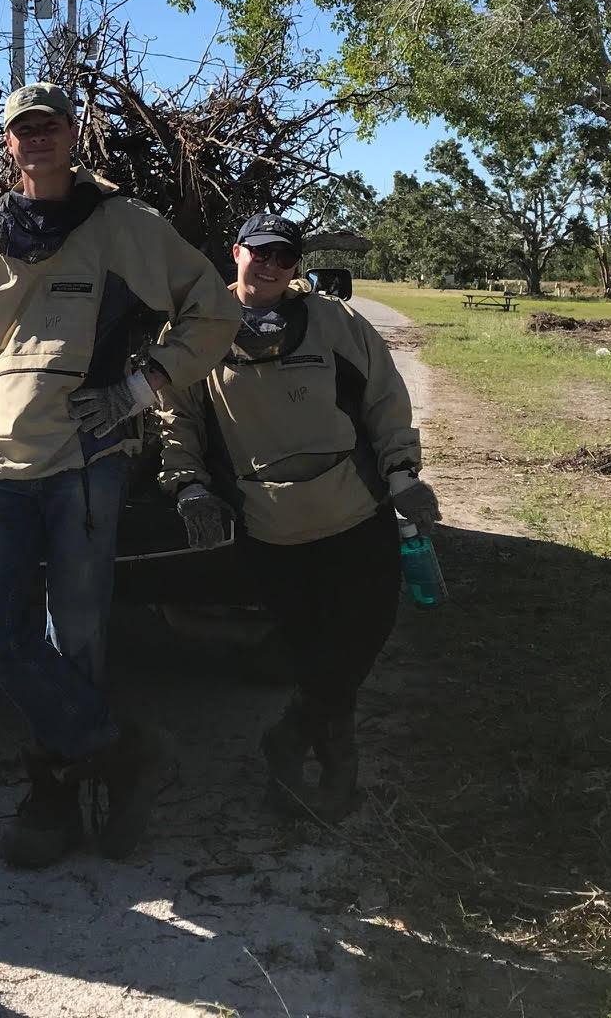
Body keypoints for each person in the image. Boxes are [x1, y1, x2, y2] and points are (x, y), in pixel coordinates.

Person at [0, 82, 242, 868]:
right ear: (7, 144)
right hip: (0, 462)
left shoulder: (121, 226)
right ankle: (126, 755)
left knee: (75, 636)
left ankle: (56, 799)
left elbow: (213, 310)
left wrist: (137, 389)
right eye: (24, 129)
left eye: (50, 125)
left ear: (73, 135)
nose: (37, 138)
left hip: (85, 463)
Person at [153, 213, 439, 821]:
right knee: (312, 649)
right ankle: (336, 764)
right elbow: (174, 416)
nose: (273, 265)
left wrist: (403, 472)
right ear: (236, 253)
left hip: (355, 514)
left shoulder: (335, 321)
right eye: (261, 253)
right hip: (271, 526)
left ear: (297, 264)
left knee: (363, 634)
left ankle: (291, 737)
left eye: (285, 256)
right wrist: (189, 488)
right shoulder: (200, 329)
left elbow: (385, 397)